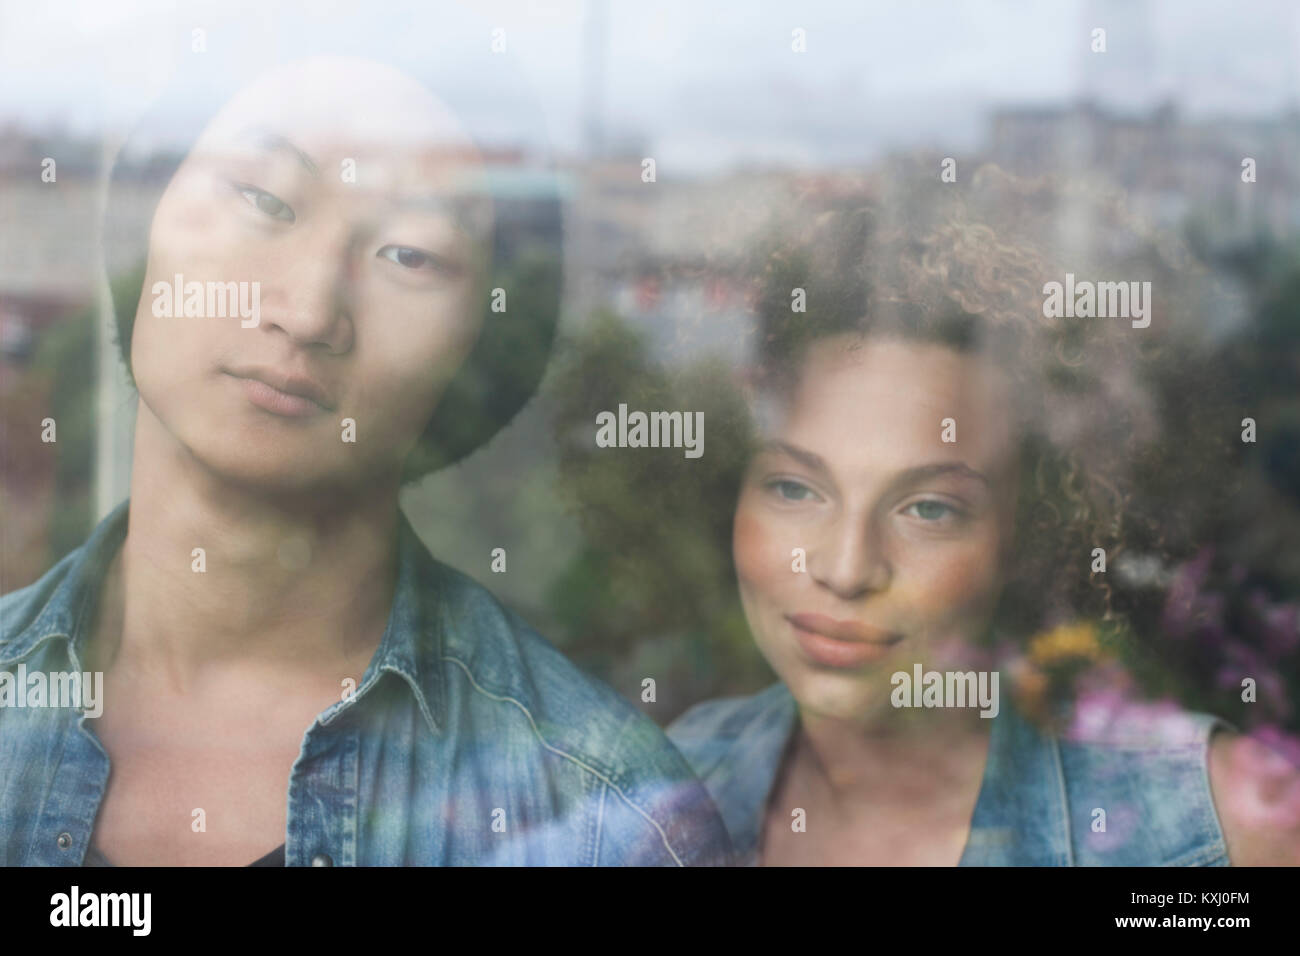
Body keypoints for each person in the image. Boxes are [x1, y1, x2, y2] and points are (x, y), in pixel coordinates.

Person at [0, 52, 730, 866]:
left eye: (410, 255)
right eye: (264, 196)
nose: (309, 311)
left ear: (478, 350)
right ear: (145, 221)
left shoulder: (602, 820)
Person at [663, 177, 1300, 865]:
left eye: (929, 509)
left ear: (1023, 534)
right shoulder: (671, 780)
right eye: (795, 488)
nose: (846, 570)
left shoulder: (1221, 830)